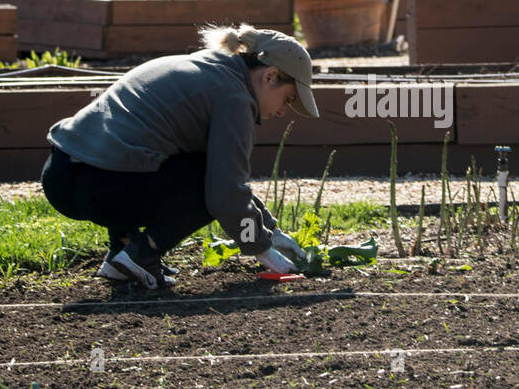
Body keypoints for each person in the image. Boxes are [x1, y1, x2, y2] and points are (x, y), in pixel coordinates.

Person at [40, 23, 318, 290]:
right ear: (269, 76)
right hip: (100, 186)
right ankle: (140, 254)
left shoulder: (206, 68)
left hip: (62, 174)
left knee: (164, 159)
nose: (283, 112)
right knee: (211, 187)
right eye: (288, 99)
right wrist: (267, 253)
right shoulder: (233, 98)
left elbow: (218, 174)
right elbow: (225, 193)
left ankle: (122, 252)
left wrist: (271, 230)